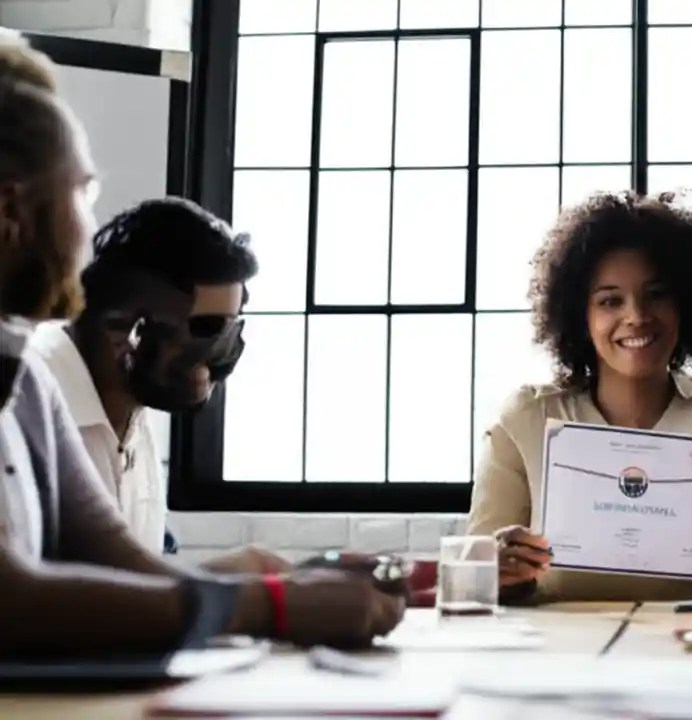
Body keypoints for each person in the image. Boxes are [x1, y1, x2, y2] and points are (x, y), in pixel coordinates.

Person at [0, 36, 403, 655]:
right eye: (83, 192)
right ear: (12, 212)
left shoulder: (22, 378)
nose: (90, 223)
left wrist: (292, 585)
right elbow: (13, 603)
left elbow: (130, 567)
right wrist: (272, 605)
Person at [466, 191, 692, 605]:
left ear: (687, 305)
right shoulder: (525, 420)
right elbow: (473, 574)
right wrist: (500, 569)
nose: (636, 315)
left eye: (657, 294)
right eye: (610, 300)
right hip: (557, 658)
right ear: (580, 316)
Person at [27, 198, 288, 573]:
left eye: (232, 326)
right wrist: (233, 584)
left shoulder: (136, 405)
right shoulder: (23, 399)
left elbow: (130, 585)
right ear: (131, 330)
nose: (219, 356)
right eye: (207, 328)